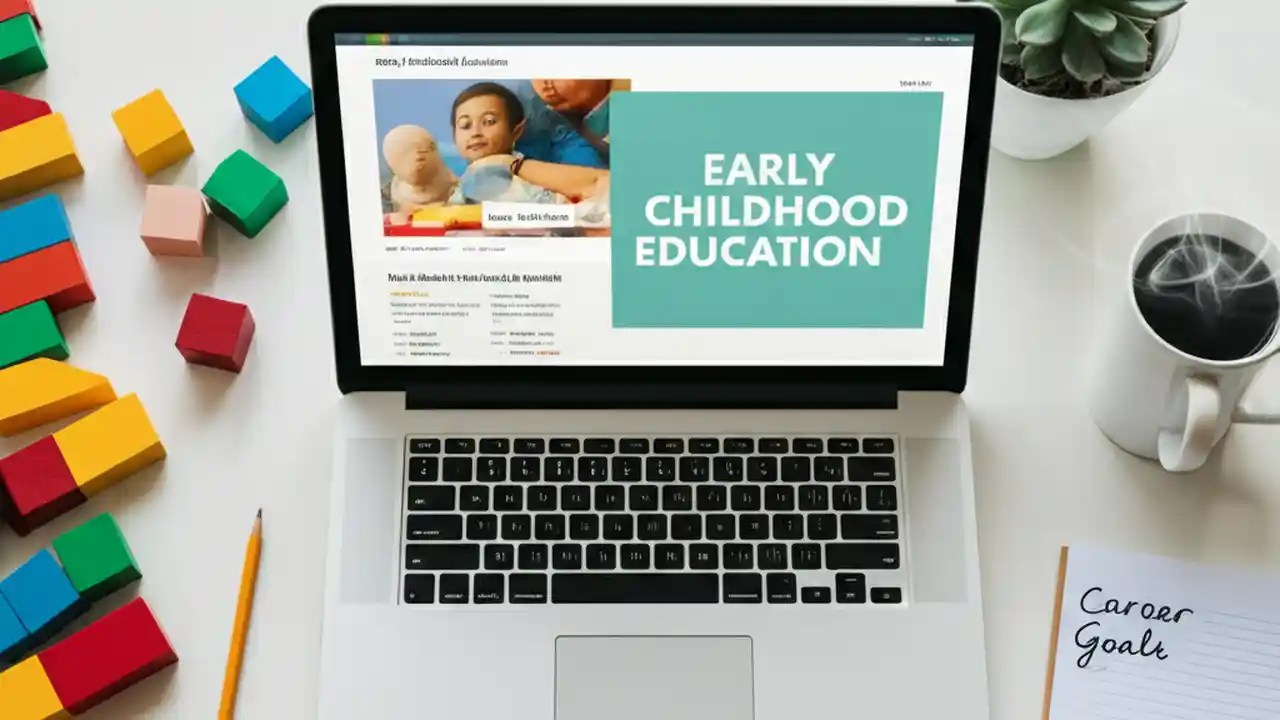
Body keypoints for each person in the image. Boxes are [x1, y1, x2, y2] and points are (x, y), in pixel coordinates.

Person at [448, 82, 609, 203]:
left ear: (517, 131)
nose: (475, 133)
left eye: (489, 121)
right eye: (465, 125)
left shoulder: (528, 181)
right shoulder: (462, 182)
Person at [381, 124, 457, 213]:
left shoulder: (456, 188)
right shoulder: (386, 198)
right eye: (406, 152)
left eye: (428, 148)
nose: (419, 155)